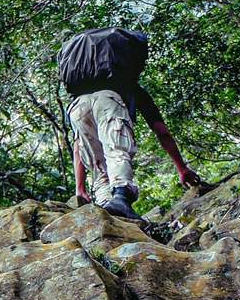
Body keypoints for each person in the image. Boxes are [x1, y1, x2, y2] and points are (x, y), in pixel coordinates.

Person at [59, 28, 206, 220]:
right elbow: (162, 132)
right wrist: (182, 168)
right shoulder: (131, 88)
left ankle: (107, 211)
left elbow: (79, 145)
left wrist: (80, 187)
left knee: (98, 165)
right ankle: (120, 197)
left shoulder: (79, 94)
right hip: (108, 101)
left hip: (77, 108)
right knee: (116, 148)